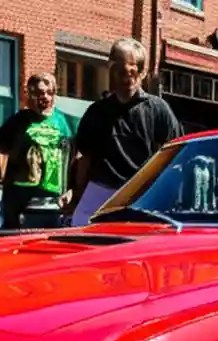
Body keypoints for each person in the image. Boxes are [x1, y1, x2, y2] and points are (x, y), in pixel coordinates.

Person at [68, 38, 182, 226]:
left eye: (132, 72)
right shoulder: (97, 112)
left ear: (143, 72)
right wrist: (77, 194)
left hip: (142, 191)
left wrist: (166, 193)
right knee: (80, 226)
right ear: (111, 70)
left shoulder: (158, 109)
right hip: (102, 188)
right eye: (120, 72)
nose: (126, 78)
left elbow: (173, 156)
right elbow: (84, 158)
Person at [0, 73, 73, 229]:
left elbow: (75, 157)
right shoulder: (18, 121)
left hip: (55, 202)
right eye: (37, 93)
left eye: (48, 92)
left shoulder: (64, 121)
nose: (43, 97)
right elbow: (1, 148)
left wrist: (72, 190)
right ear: (30, 95)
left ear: (54, 94)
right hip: (23, 203)